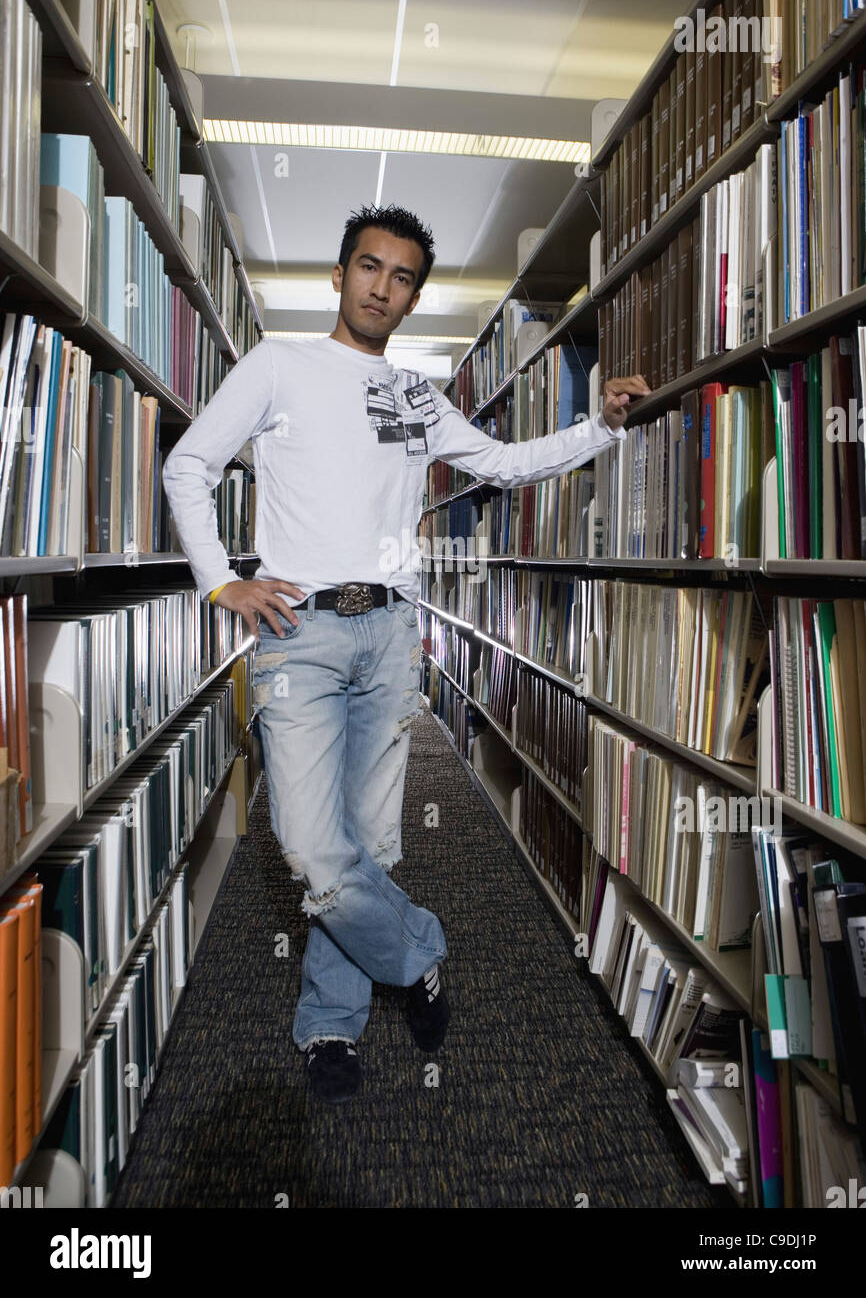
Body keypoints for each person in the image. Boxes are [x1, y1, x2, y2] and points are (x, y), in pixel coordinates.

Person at [162, 202, 649, 1104]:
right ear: (338, 275)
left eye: (402, 278)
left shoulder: (418, 394)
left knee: (370, 844)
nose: (382, 287)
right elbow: (187, 466)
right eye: (369, 268)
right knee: (311, 847)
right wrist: (219, 581)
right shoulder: (280, 365)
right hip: (297, 633)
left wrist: (601, 429)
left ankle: (331, 1027)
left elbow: (504, 463)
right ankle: (419, 952)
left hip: (391, 632)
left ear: (415, 295)